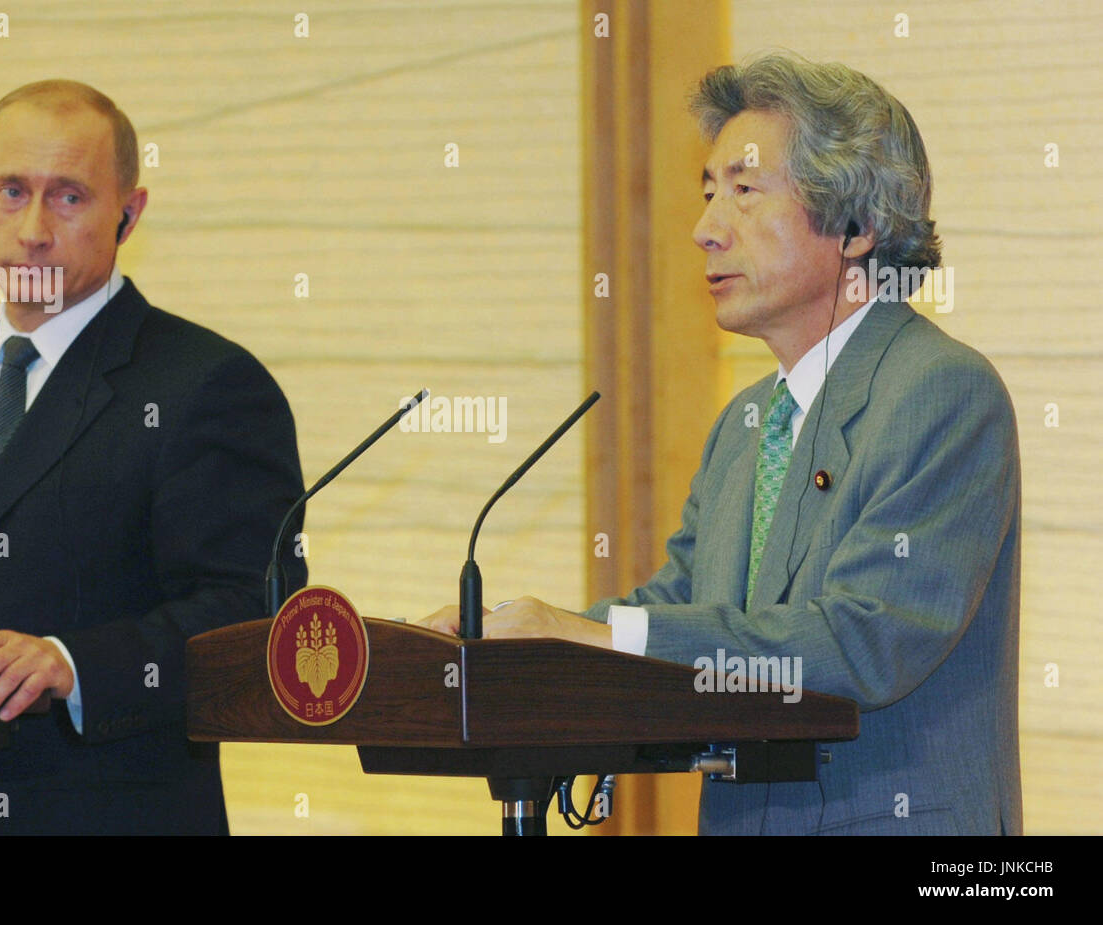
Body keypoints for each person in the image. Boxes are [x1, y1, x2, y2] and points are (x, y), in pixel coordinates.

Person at [421, 53, 1021, 835]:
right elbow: (682, 609)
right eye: (708, 194)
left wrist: (600, 635)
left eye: (742, 192)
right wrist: (507, 641)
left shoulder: (943, 394)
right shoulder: (749, 421)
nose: (704, 230)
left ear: (857, 226)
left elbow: (865, 639)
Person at [0, 80, 308, 834]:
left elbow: (255, 615)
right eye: (11, 191)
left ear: (129, 213)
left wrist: (73, 662)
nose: (33, 228)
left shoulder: (207, 382)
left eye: (68, 197)